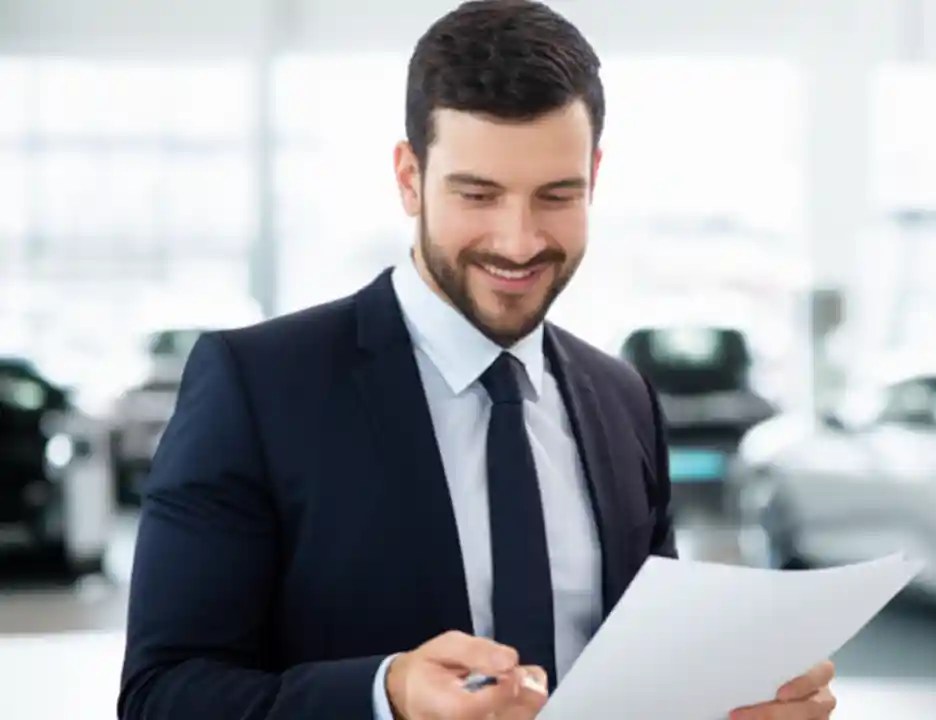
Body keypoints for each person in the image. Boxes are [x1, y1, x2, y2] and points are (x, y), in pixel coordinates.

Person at [117, 2, 837, 718]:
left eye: (556, 196)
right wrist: (385, 695)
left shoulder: (624, 402)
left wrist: (729, 704)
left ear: (595, 176)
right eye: (478, 195)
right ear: (409, 178)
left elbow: (644, 680)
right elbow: (163, 695)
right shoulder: (258, 389)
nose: (518, 241)